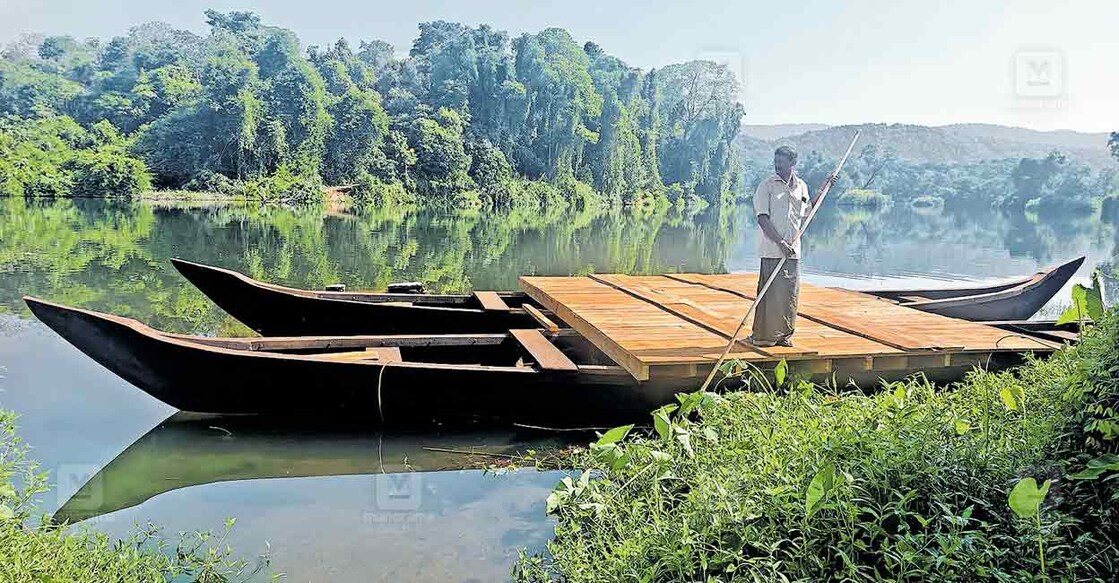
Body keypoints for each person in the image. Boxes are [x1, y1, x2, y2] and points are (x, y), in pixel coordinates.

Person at [747, 145, 830, 347]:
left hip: (792, 251)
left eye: (781, 162)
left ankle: (784, 335)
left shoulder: (801, 186)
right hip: (772, 250)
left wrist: (825, 187)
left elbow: (808, 211)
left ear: (792, 164)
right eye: (776, 161)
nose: (777, 165)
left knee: (789, 295)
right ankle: (763, 336)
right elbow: (762, 219)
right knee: (769, 293)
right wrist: (780, 242)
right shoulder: (766, 186)